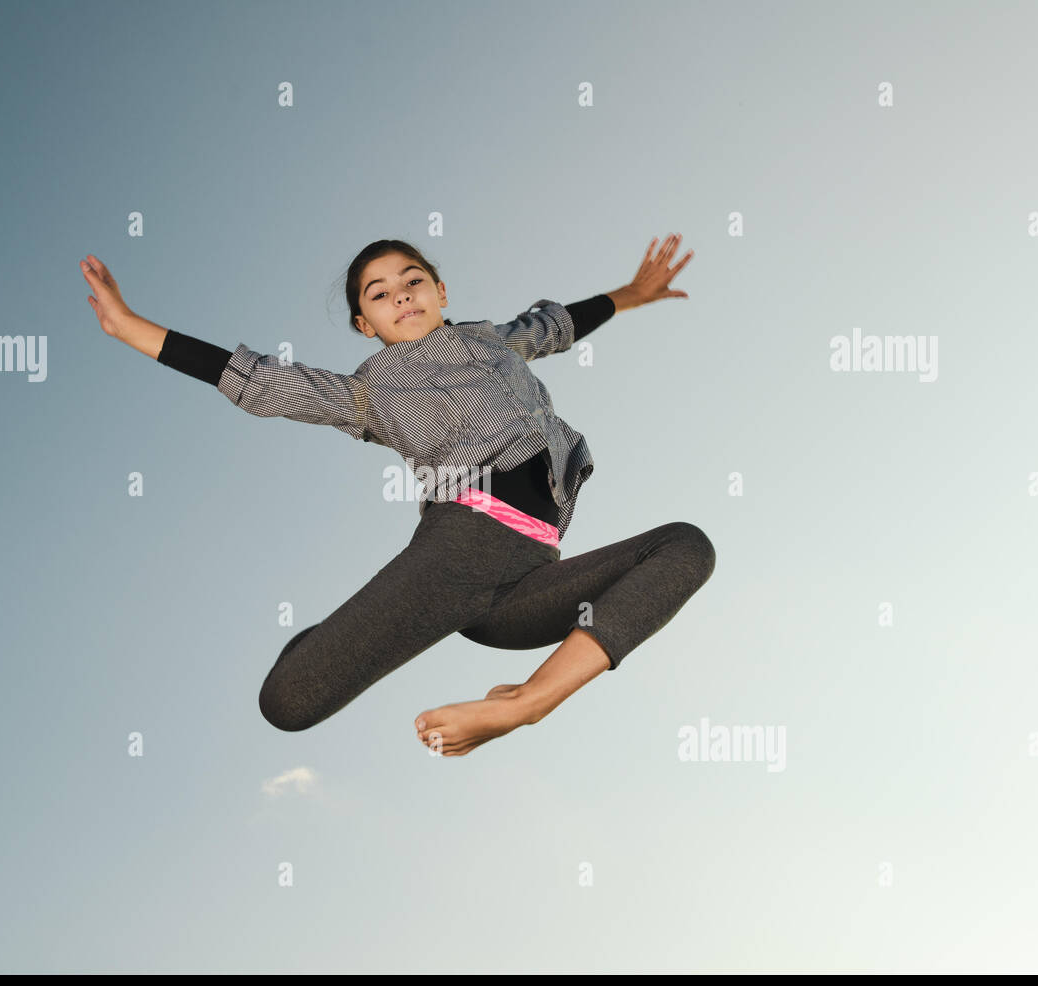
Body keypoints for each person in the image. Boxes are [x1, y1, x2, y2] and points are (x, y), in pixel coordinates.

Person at [80, 234, 714, 756]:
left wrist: (631, 295)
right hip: (463, 549)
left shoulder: (493, 340)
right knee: (288, 703)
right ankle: (320, 641)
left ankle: (527, 701)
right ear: (365, 324)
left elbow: (554, 326)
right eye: (378, 295)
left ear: (440, 292)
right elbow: (261, 383)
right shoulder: (371, 389)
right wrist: (130, 325)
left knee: (686, 547)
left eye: (412, 281)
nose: (400, 297)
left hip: (525, 584)